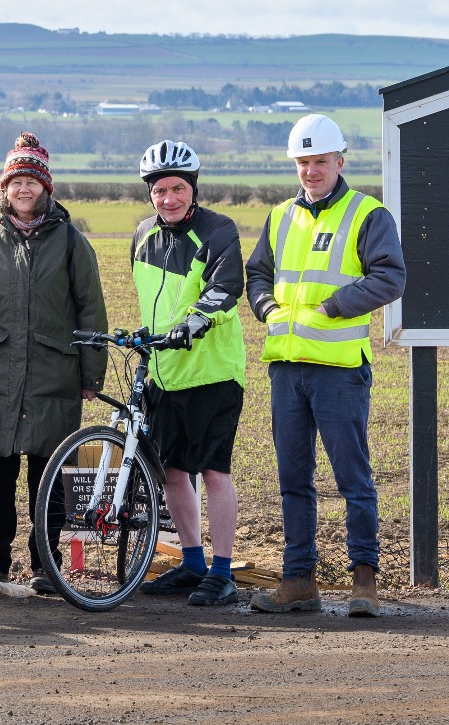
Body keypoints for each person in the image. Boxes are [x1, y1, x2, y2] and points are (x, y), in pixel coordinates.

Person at [246, 113, 406, 618]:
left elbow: (390, 277)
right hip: (288, 369)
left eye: (319, 161)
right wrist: (266, 308)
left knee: (352, 479)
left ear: (340, 161)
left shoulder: (367, 214)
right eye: (303, 163)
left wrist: (336, 306)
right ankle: (299, 581)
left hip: (339, 370)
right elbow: (257, 275)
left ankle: (365, 581)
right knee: (293, 480)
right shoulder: (279, 217)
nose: (311, 171)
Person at [0, 132, 107, 588]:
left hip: (53, 373)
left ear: (47, 188)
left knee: (50, 474)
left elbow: (91, 309)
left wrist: (91, 372)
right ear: (3, 189)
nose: (23, 190)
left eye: (32, 181)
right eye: (15, 182)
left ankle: (47, 563)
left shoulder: (70, 242)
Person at [129, 140, 248, 608]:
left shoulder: (218, 231)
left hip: (212, 372)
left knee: (214, 472)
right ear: (150, 194)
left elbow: (225, 288)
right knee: (173, 473)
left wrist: (192, 325)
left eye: (178, 188)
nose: (169, 199)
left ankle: (222, 572)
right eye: (160, 190)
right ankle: (193, 562)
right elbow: (152, 303)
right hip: (165, 373)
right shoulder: (141, 235)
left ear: (193, 189)